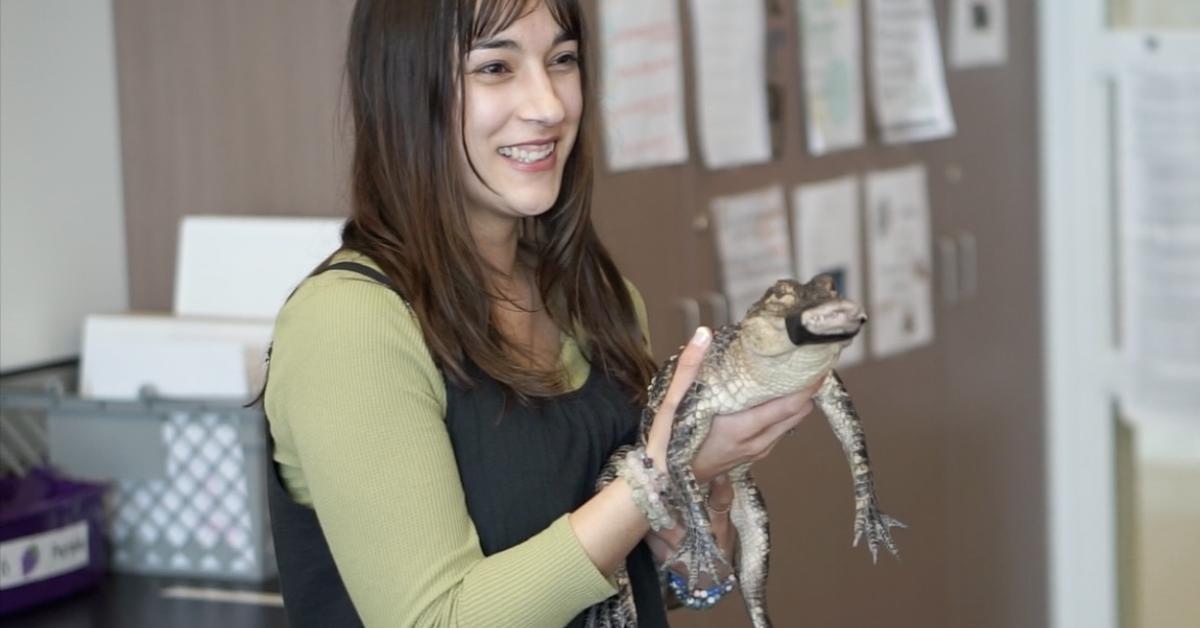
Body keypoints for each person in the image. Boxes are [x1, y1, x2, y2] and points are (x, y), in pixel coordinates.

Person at [258, 1, 823, 626]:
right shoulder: (349, 325)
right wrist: (660, 477)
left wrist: (697, 527)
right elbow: (437, 619)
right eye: (496, 67)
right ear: (403, 91)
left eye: (562, 60)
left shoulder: (597, 299)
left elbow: (636, 585)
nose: (550, 105)